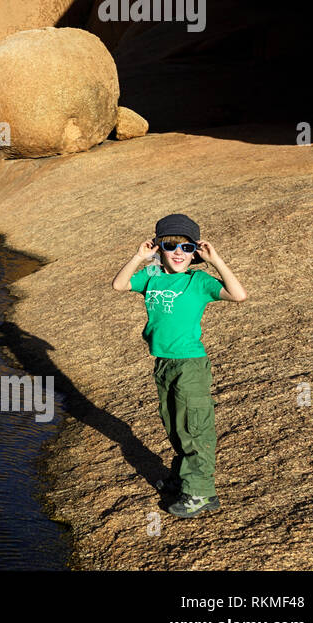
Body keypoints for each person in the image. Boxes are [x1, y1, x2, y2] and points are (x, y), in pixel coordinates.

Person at [111, 213, 247, 518]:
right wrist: (138, 256)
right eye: (170, 245)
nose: (178, 253)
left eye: (186, 248)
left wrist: (216, 261)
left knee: (194, 426)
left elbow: (239, 295)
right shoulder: (151, 277)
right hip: (164, 364)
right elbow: (119, 285)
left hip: (190, 365)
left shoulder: (197, 281)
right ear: (159, 246)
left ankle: (201, 493)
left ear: (195, 252)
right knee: (173, 424)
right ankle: (184, 479)